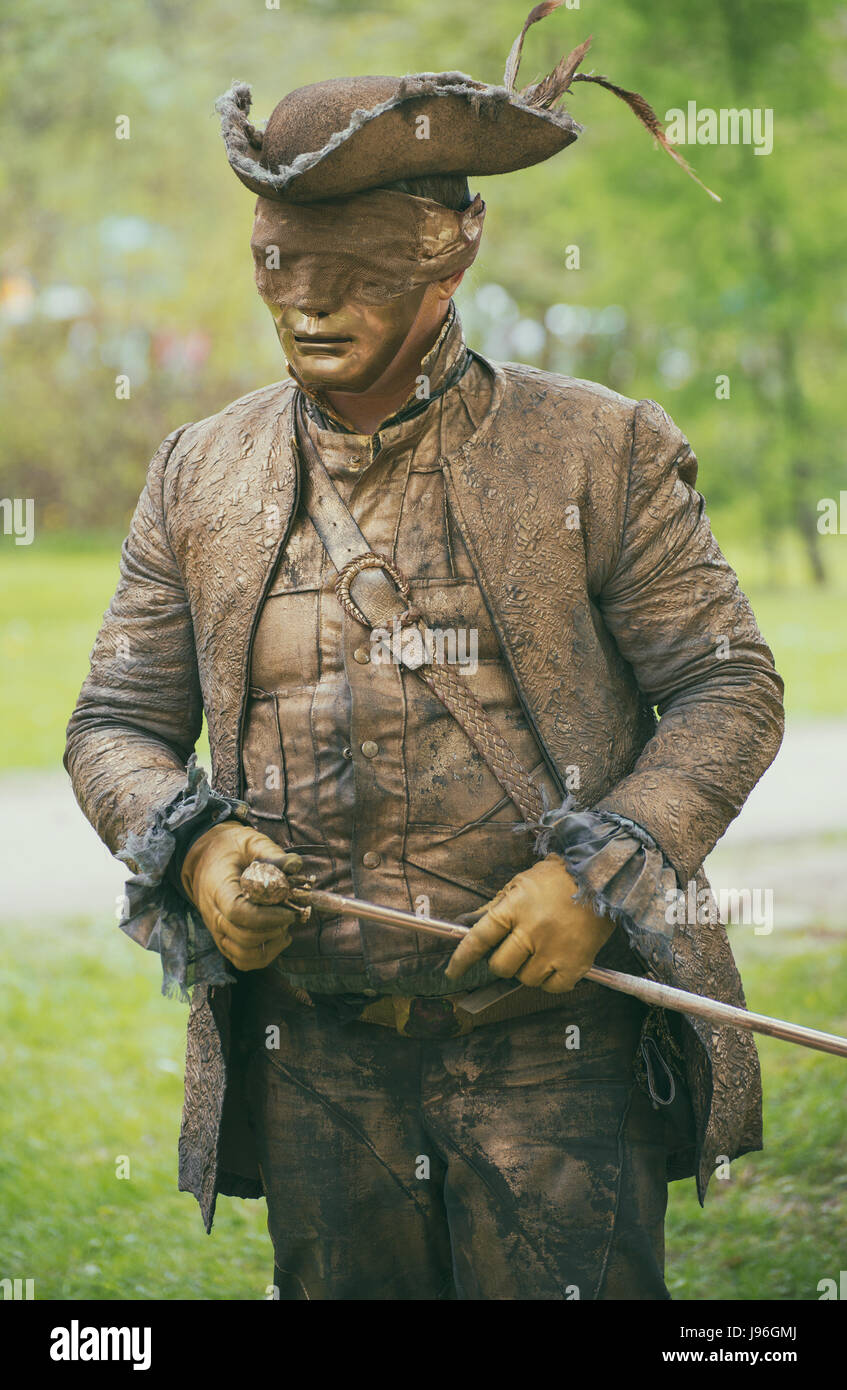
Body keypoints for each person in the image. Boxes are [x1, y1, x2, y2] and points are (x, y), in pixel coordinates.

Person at [65, 4, 784, 1299]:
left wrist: (601, 874)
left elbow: (729, 685)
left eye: (355, 266)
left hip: (557, 1065)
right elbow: (111, 720)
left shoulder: (597, 454)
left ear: (449, 257)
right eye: (282, 261)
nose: (310, 299)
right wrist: (198, 839)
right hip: (314, 1069)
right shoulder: (196, 472)